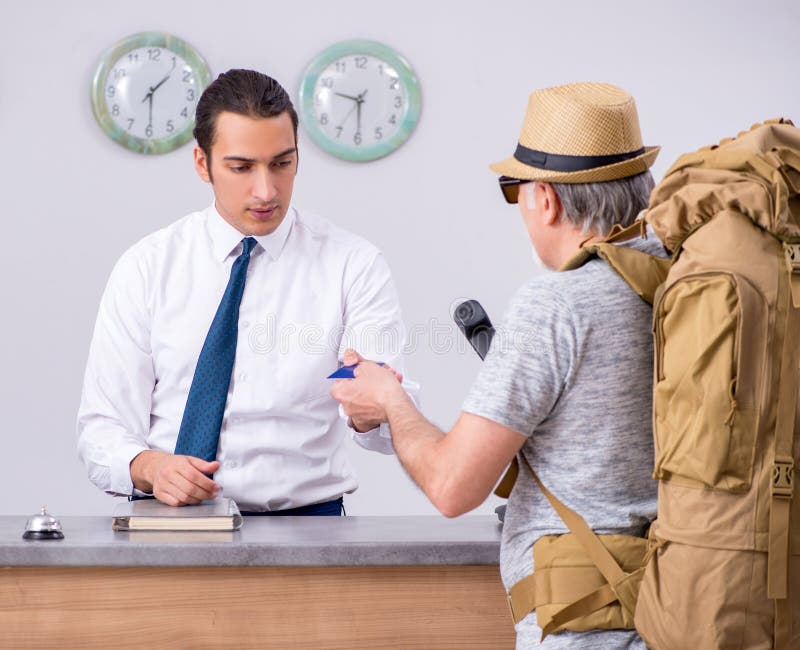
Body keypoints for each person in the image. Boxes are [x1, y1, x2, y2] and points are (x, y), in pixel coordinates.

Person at [331, 82, 663, 647]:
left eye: (516, 191)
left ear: (546, 200)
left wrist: (390, 401)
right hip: (688, 611)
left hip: (588, 626)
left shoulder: (556, 305)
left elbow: (452, 486)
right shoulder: (683, 283)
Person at [77, 69, 406, 515]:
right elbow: (101, 430)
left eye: (281, 163)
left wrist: (375, 413)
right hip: (168, 522)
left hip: (310, 528)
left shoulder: (354, 265)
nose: (266, 191)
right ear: (202, 164)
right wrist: (149, 466)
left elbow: (386, 422)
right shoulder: (147, 267)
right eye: (241, 167)